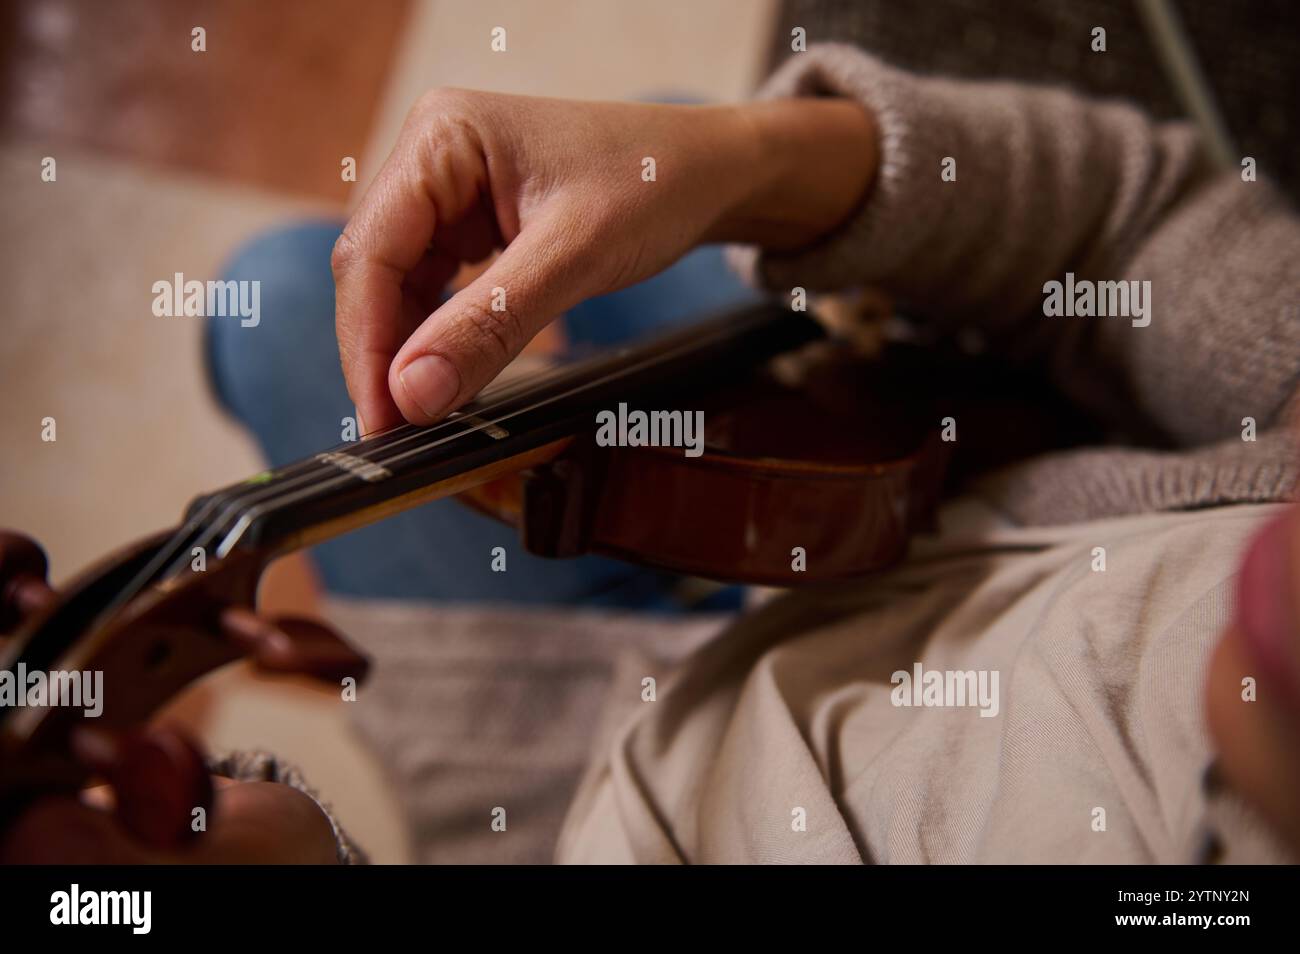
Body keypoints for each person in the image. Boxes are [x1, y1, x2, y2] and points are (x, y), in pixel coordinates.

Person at [5, 15, 1299, 862]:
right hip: (896, 485)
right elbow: (1123, 230)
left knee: (266, 306)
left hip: (562, 776)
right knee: (310, 284)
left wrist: (293, 849)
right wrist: (752, 159)